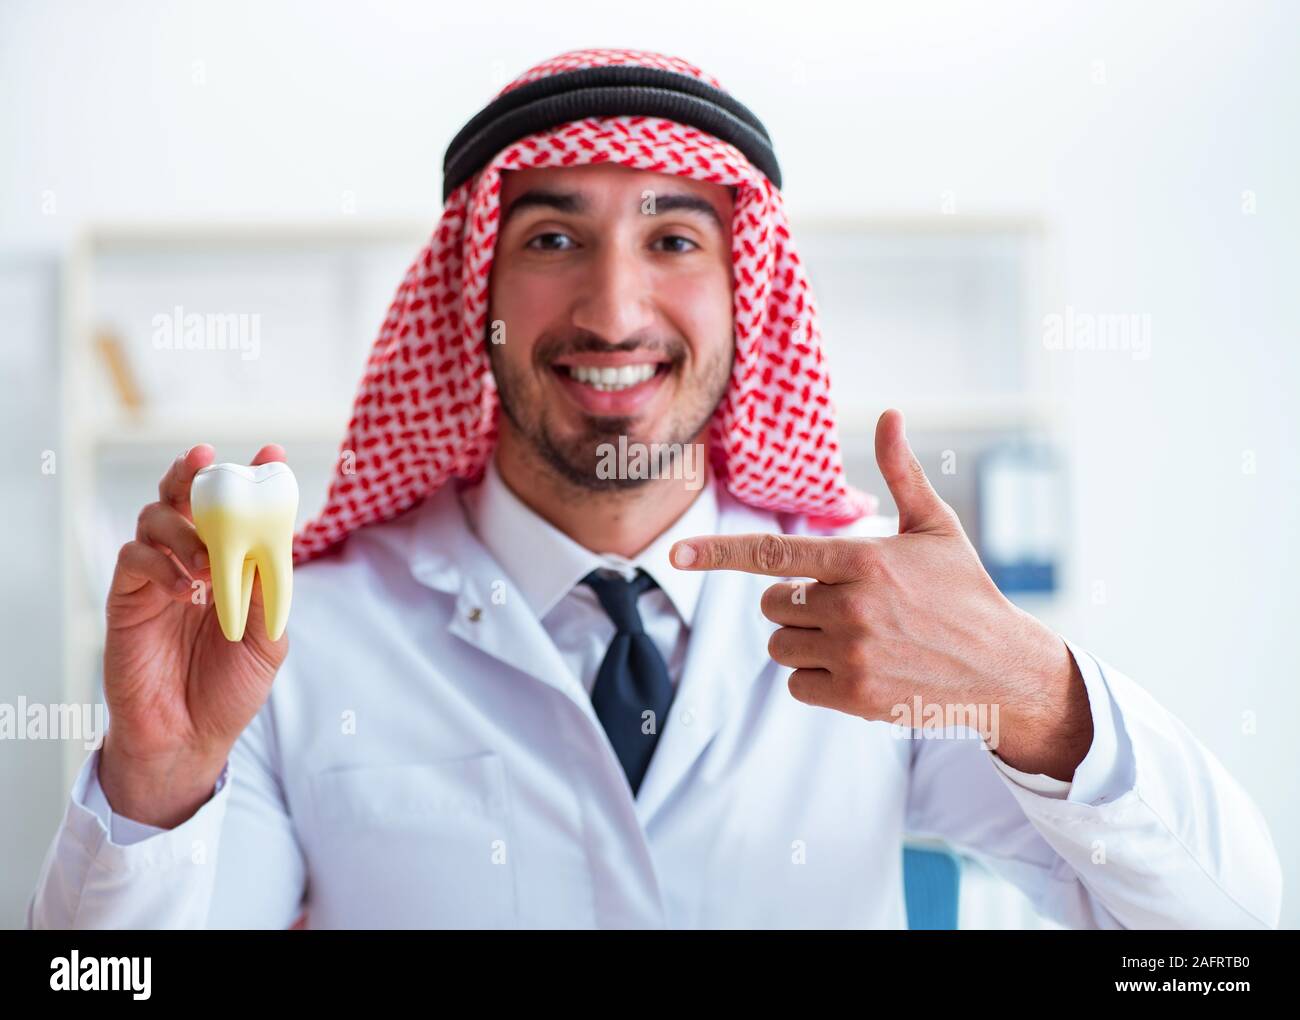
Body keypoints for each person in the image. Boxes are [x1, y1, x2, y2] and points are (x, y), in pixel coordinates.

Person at [29, 47, 1281, 929]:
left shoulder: (874, 612)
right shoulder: (304, 638)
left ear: (750, 297)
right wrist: (152, 784)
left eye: (675, 239)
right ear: (477, 300)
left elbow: (1222, 945)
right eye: (554, 239)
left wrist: (1032, 691)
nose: (615, 308)